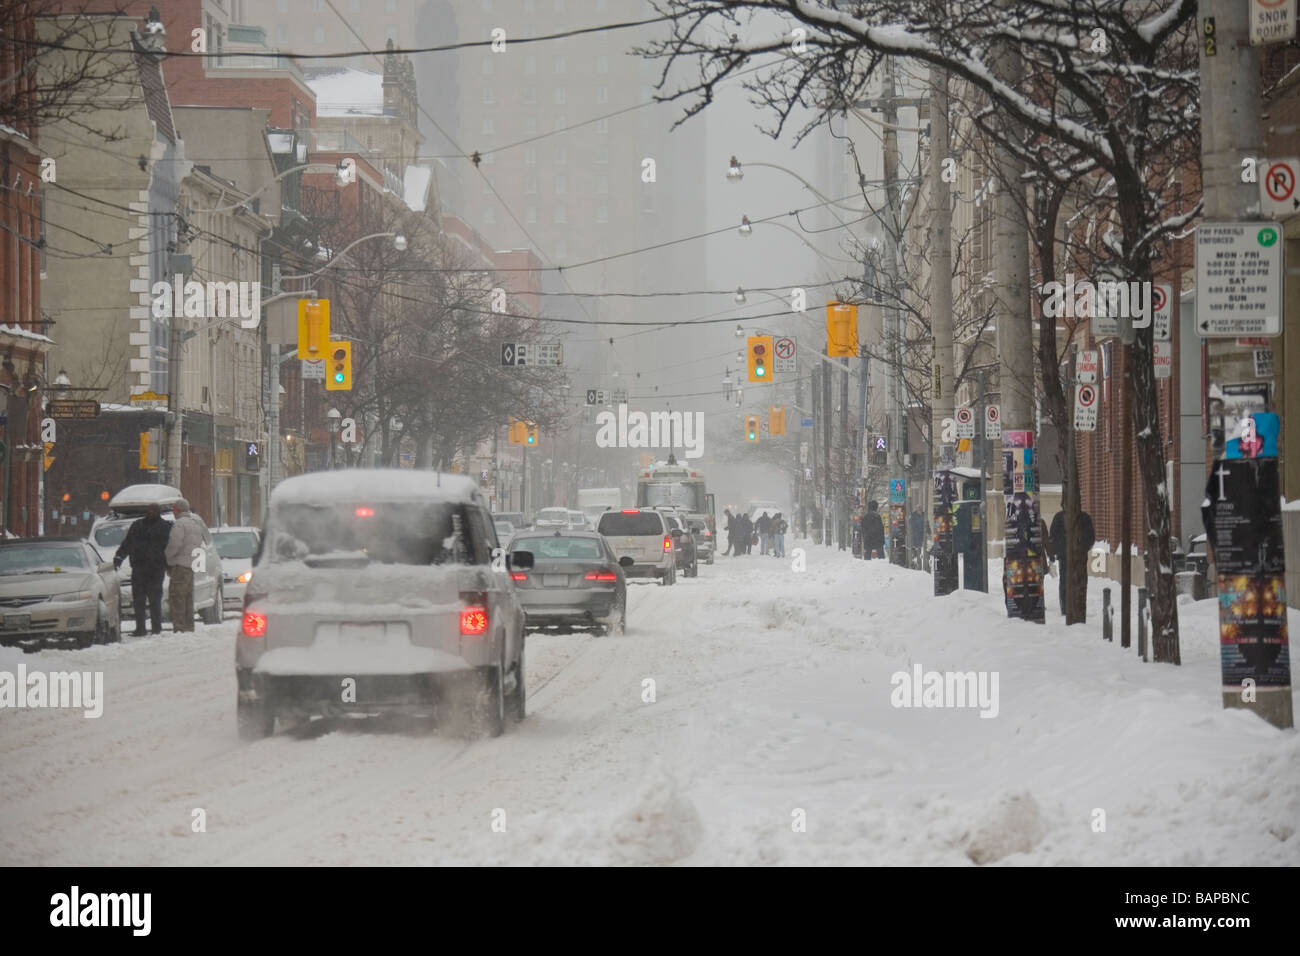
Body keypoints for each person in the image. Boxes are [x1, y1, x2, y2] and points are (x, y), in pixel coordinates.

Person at [113, 503, 170, 636]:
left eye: (153, 510)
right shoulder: (137, 526)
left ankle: (156, 628)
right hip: (139, 568)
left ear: (158, 512)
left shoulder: (165, 527)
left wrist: (168, 564)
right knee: (138, 600)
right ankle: (140, 628)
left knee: (155, 600)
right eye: (148, 510)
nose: (150, 512)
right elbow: (127, 543)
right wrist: (119, 557)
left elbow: (169, 548)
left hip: (156, 570)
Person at [165, 498, 205, 632]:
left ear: (177, 510)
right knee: (188, 597)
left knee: (177, 597)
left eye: (174, 510)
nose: (173, 512)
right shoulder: (195, 524)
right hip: (190, 565)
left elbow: (174, 544)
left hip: (179, 565)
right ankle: (189, 626)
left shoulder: (179, 525)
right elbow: (199, 545)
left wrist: (167, 557)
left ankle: (180, 627)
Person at [1048, 507, 1096, 616]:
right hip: (1066, 556)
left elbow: (1090, 537)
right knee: (1068, 581)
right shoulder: (1060, 517)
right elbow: (1053, 537)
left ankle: (1072, 607)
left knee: (1073, 581)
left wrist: (1082, 549)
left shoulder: (1083, 518)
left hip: (1075, 556)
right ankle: (1068, 608)